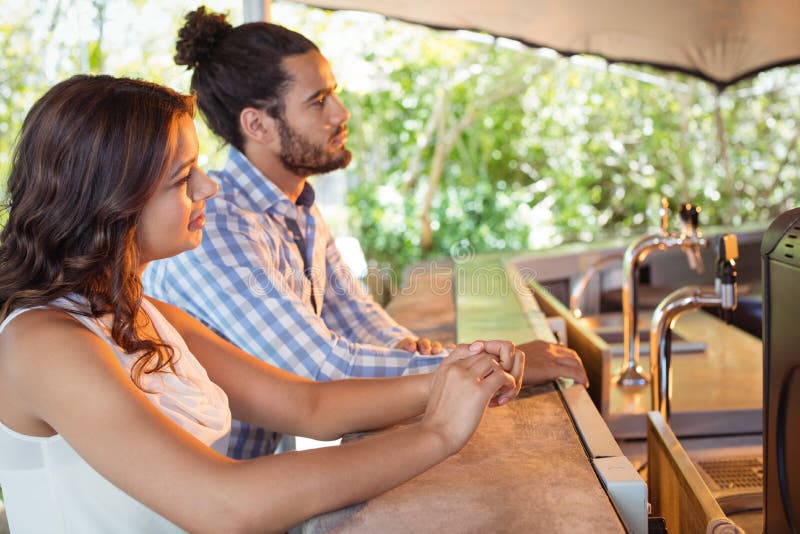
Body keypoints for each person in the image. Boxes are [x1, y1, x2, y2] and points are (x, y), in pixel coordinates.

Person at [0, 74, 523, 532]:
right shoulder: (42, 344)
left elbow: (308, 406)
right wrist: (437, 433)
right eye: (184, 179)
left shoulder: (143, 314)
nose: (208, 188)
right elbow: (224, 505)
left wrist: (457, 376)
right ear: (111, 202)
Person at [143, 6, 588, 459]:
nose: (341, 112)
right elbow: (321, 370)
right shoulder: (215, 224)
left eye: (333, 93)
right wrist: (485, 367)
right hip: (190, 510)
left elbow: (353, 313)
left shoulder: (294, 207)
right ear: (257, 124)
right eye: (318, 101)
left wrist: (407, 346)